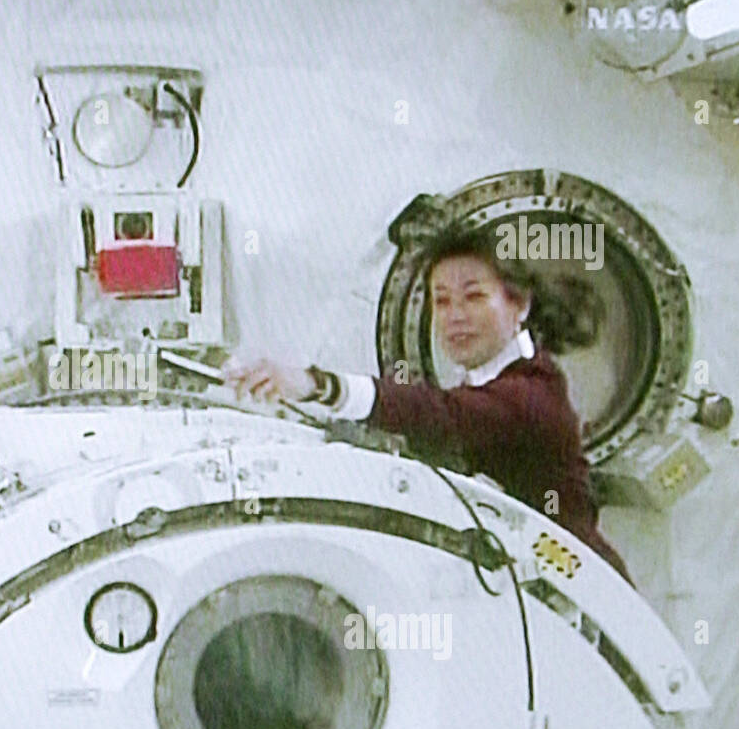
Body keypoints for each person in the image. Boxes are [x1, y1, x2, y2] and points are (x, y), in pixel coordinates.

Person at [224, 229, 632, 584]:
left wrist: (315, 384)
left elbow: (440, 414)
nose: (455, 317)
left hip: (585, 601)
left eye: (473, 297)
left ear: (519, 304)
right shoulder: (489, 385)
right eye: (442, 301)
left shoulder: (531, 395)